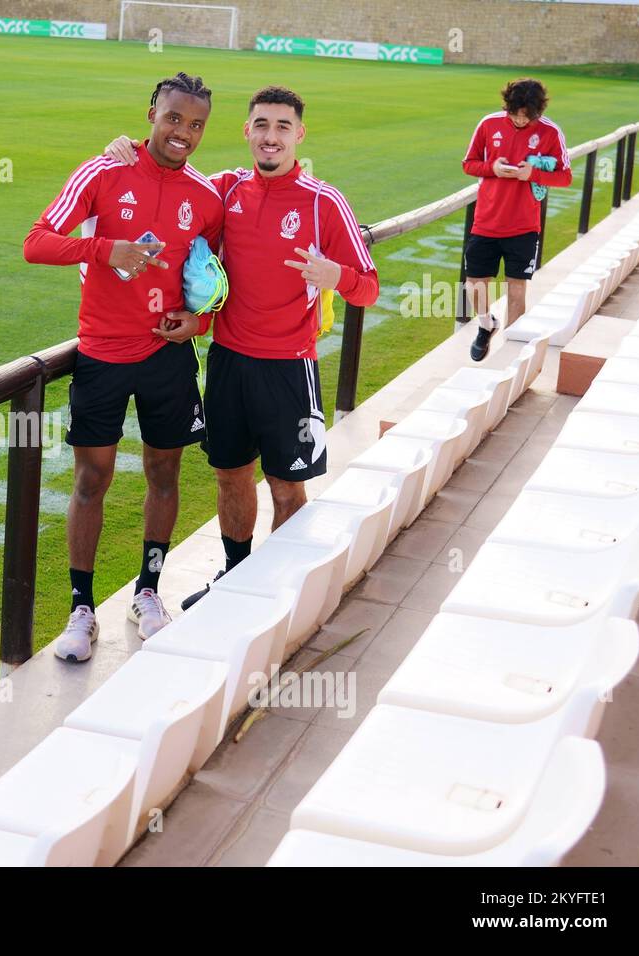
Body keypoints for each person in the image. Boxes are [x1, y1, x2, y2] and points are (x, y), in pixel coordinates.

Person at [105, 85, 379, 609]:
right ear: (246, 132)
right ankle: (235, 578)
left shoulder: (325, 202)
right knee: (231, 477)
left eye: (281, 127)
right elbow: (168, 179)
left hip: (288, 370)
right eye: (261, 125)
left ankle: (283, 593)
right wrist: (125, 149)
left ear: (299, 134)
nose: (270, 136)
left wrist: (335, 273)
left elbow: (368, 285)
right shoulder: (225, 190)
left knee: (285, 488)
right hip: (227, 363)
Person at [23, 72, 224, 662]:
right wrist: (105, 249)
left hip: (168, 359)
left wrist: (200, 322)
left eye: (196, 125)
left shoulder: (206, 197)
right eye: (174, 119)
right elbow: (37, 242)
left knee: (165, 476)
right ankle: (81, 610)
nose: (183, 133)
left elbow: (215, 280)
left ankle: (148, 592)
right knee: (92, 480)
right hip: (103, 355)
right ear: (151, 113)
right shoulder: (103, 172)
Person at [462, 77, 572, 361]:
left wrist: (531, 174)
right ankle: (487, 325)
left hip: (523, 227)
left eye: (527, 117)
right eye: (515, 115)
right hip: (486, 221)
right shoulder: (488, 124)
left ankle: (510, 353)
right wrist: (493, 168)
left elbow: (565, 176)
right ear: (507, 106)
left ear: (538, 112)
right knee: (474, 283)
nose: (521, 121)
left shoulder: (550, 132)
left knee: (517, 288)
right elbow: (468, 164)